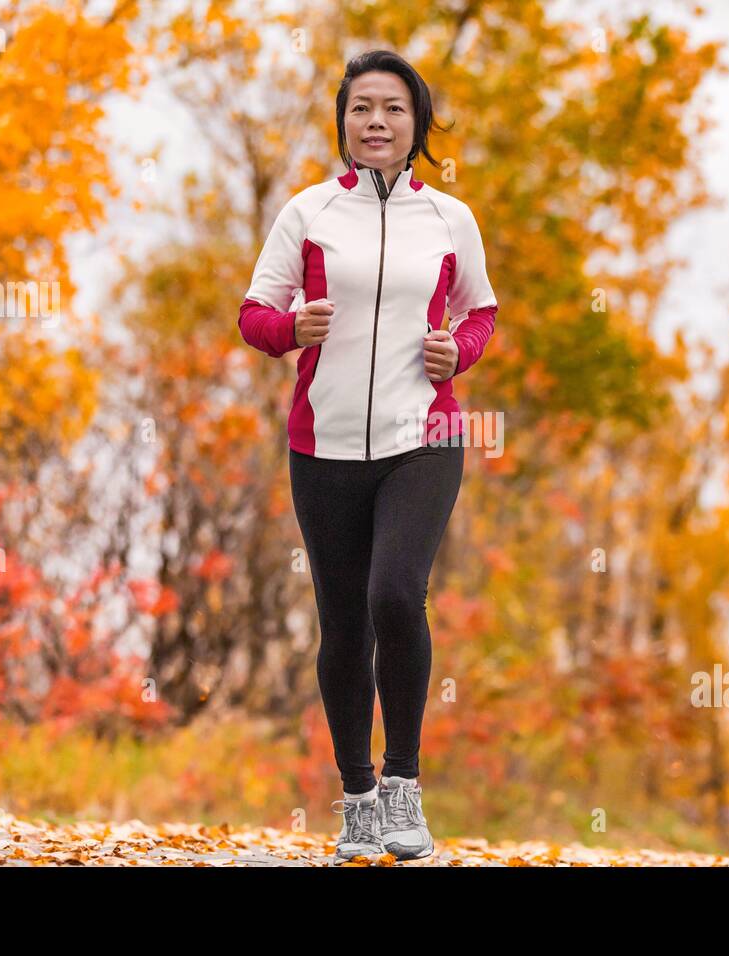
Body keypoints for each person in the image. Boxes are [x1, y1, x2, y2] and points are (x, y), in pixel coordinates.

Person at [237, 49, 498, 864]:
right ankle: (356, 797)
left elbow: (480, 311)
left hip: (426, 435)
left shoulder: (450, 218)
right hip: (324, 441)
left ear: (416, 124)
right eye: (361, 109)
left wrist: (460, 350)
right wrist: (291, 331)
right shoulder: (309, 212)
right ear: (343, 123)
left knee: (396, 596)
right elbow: (254, 314)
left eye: (391, 108)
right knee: (343, 623)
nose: (375, 122)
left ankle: (404, 789)